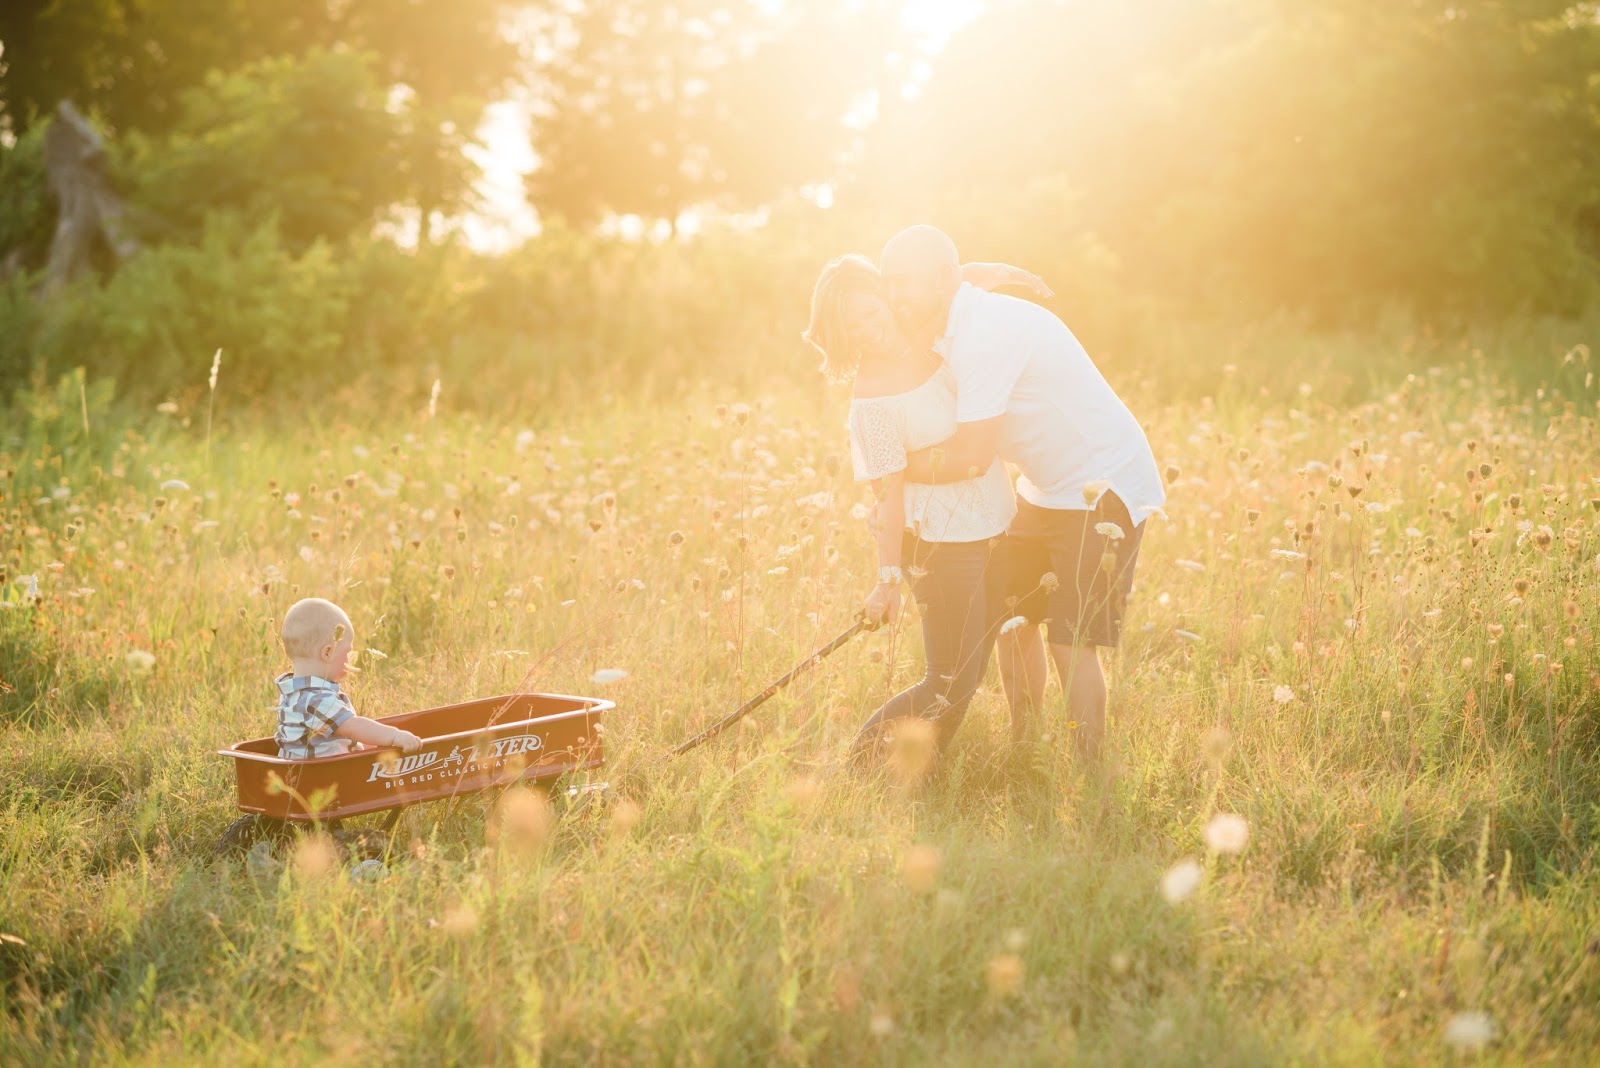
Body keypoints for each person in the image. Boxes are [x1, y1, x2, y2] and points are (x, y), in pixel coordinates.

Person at [881, 224, 1165, 762]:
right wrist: (982, 270)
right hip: (1045, 487)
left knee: (1070, 639)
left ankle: (1092, 775)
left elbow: (971, 456)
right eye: (888, 282)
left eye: (904, 282)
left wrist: (888, 468)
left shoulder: (985, 332)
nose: (895, 295)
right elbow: (948, 278)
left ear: (941, 279)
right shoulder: (947, 312)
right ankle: (1025, 751)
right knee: (1010, 617)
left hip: (1103, 483)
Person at [804, 252, 1050, 756]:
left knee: (976, 668)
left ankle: (1008, 754)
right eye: (853, 327)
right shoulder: (872, 400)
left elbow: (951, 280)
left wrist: (1004, 273)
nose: (868, 330)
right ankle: (863, 769)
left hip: (997, 524)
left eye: (872, 312)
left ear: (887, 300)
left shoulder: (926, 334)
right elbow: (887, 494)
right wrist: (887, 579)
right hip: (942, 546)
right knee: (949, 681)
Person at [274, 597, 422, 759]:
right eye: (347, 652)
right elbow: (353, 727)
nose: (349, 660)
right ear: (328, 653)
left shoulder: (293, 693)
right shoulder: (316, 699)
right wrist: (394, 736)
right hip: (328, 771)